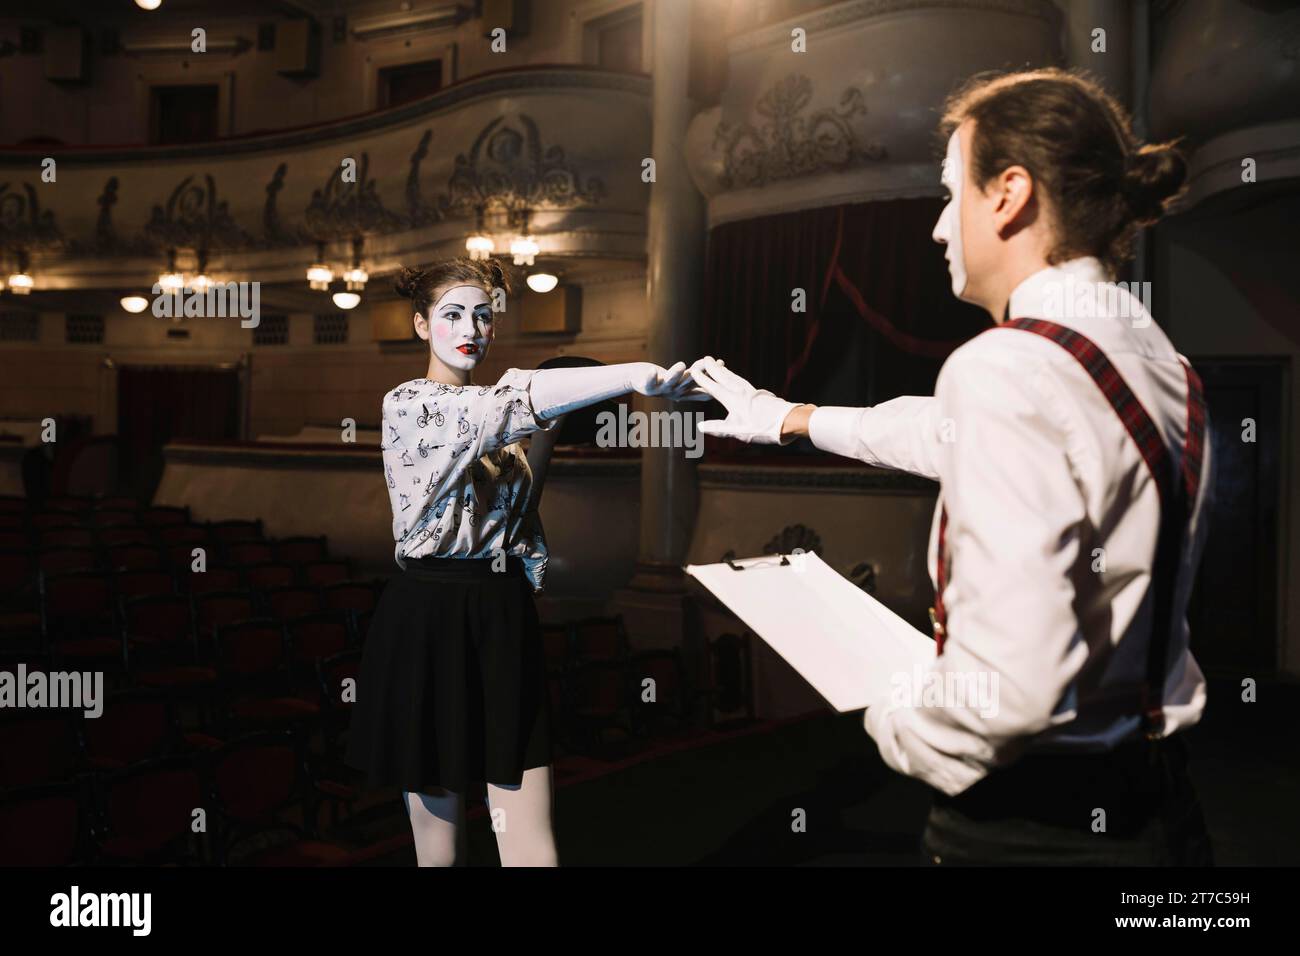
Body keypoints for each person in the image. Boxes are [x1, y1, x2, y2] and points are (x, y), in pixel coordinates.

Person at [689, 68, 1215, 865]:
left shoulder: (1006, 368)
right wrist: (785, 419)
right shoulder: (1152, 356)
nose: (938, 229)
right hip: (1162, 809)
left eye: (948, 194)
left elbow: (1010, 694)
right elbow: (939, 432)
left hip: (1034, 828)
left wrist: (895, 714)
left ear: (1008, 194)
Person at [344, 256, 700, 866]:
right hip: (431, 613)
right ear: (420, 325)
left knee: (529, 834)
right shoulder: (407, 404)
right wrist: (635, 372)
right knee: (439, 850)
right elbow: (520, 396)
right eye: (452, 314)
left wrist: (549, 437)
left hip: (499, 611)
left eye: (482, 317)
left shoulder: (501, 413)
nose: (470, 328)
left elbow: (515, 516)